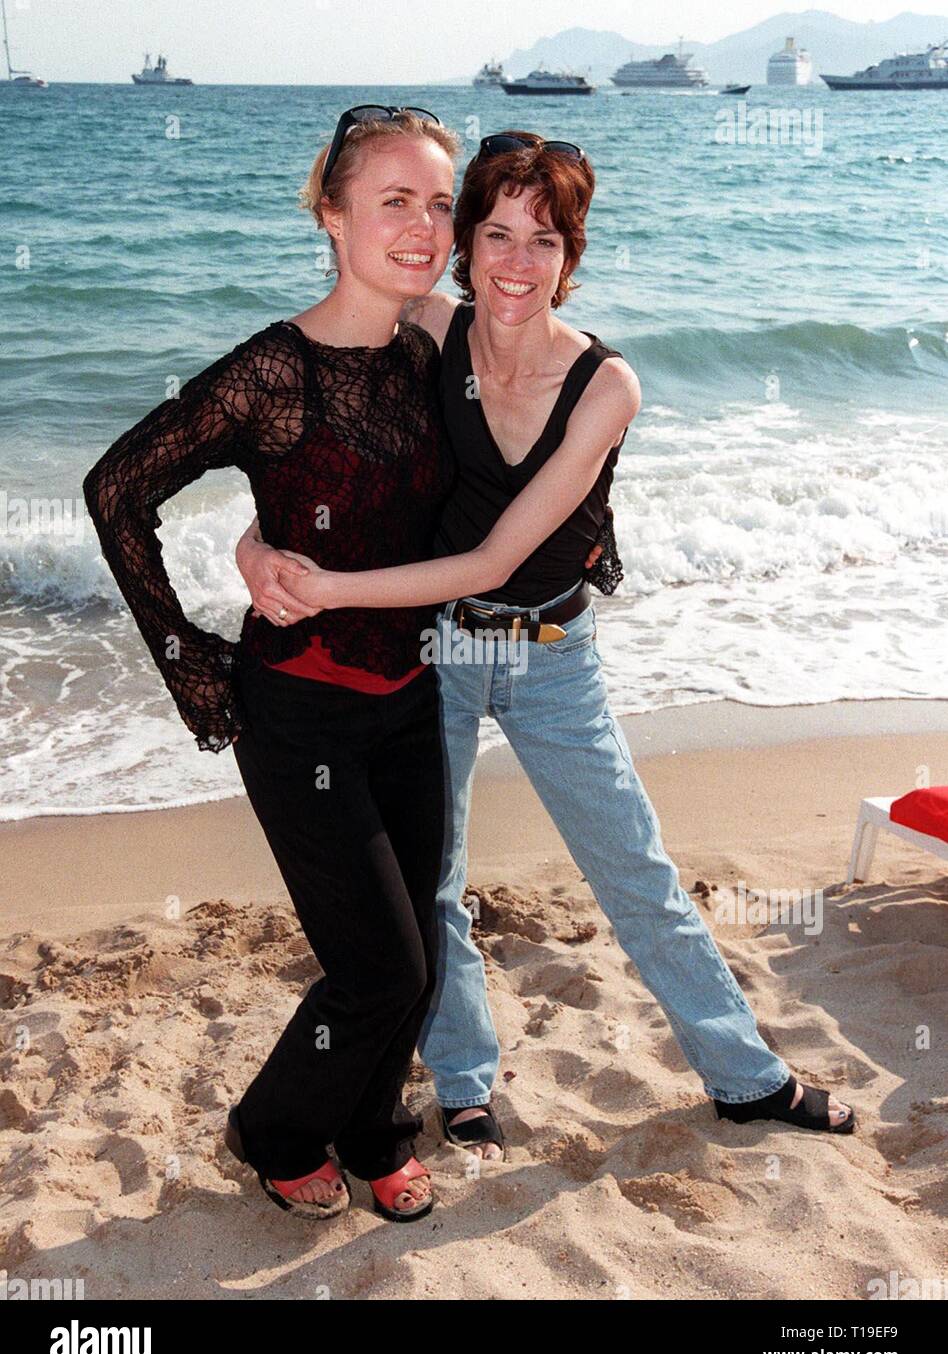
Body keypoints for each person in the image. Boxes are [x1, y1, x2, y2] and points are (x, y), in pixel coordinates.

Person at [236, 130, 856, 1162]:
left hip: (552, 654)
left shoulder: (605, 387)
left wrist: (335, 586)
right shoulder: (428, 330)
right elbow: (306, 443)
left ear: (573, 256)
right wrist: (258, 541)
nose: (516, 262)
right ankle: (467, 1086)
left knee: (635, 869)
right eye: (495, 233)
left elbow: (491, 561)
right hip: (433, 650)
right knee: (434, 882)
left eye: (545, 239)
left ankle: (747, 1078)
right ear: (468, 244)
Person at [83, 106, 474, 1222]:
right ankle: (275, 1127)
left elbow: (539, 384)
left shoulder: (435, 352)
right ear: (333, 215)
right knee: (382, 970)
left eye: (439, 203)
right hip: (299, 716)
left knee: (421, 954)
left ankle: (373, 1127)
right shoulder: (272, 372)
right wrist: (184, 654)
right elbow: (117, 489)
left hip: (413, 700)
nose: (423, 225)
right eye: (393, 200)